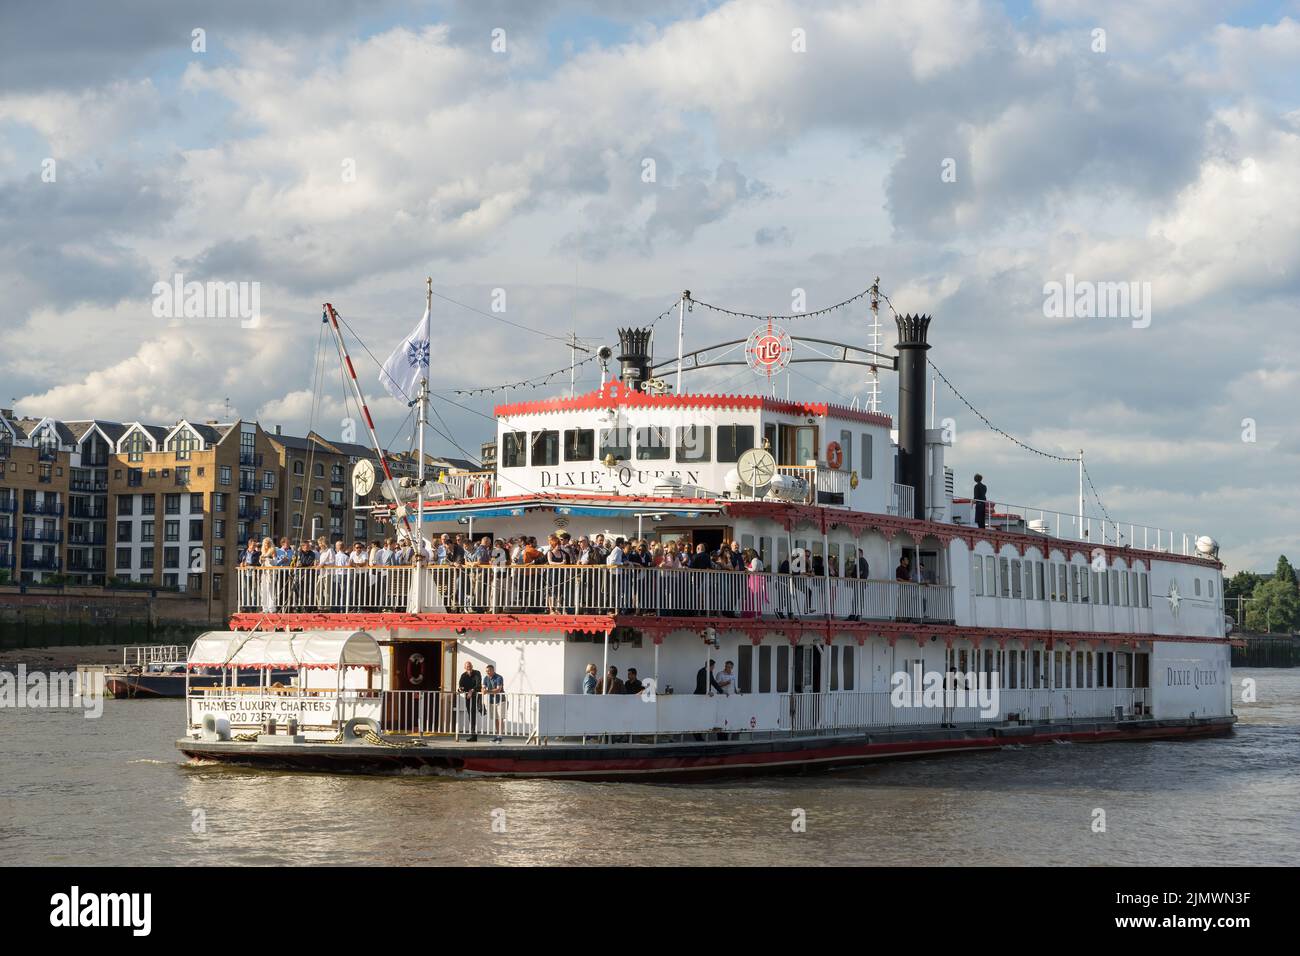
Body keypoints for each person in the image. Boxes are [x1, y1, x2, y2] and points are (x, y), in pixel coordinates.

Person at [458, 660, 482, 741]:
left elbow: (478, 685)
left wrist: (471, 691)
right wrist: (460, 689)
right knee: (470, 714)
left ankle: (474, 735)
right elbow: (461, 686)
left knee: (474, 714)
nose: (469, 667)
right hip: (468, 697)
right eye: (467, 666)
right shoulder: (463, 675)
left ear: (472, 666)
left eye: (470, 666)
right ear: (465, 667)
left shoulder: (477, 673)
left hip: (476, 696)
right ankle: (473, 735)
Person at [482, 663, 505, 742]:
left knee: (500, 718)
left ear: (493, 670)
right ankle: (497, 735)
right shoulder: (486, 678)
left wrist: (487, 691)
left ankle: (500, 736)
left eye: (488, 671)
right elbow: (483, 688)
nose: (487, 672)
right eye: (486, 671)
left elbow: (498, 689)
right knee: (495, 718)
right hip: (492, 701)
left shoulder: (499, 677)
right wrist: (483, 690)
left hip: (501, 700)